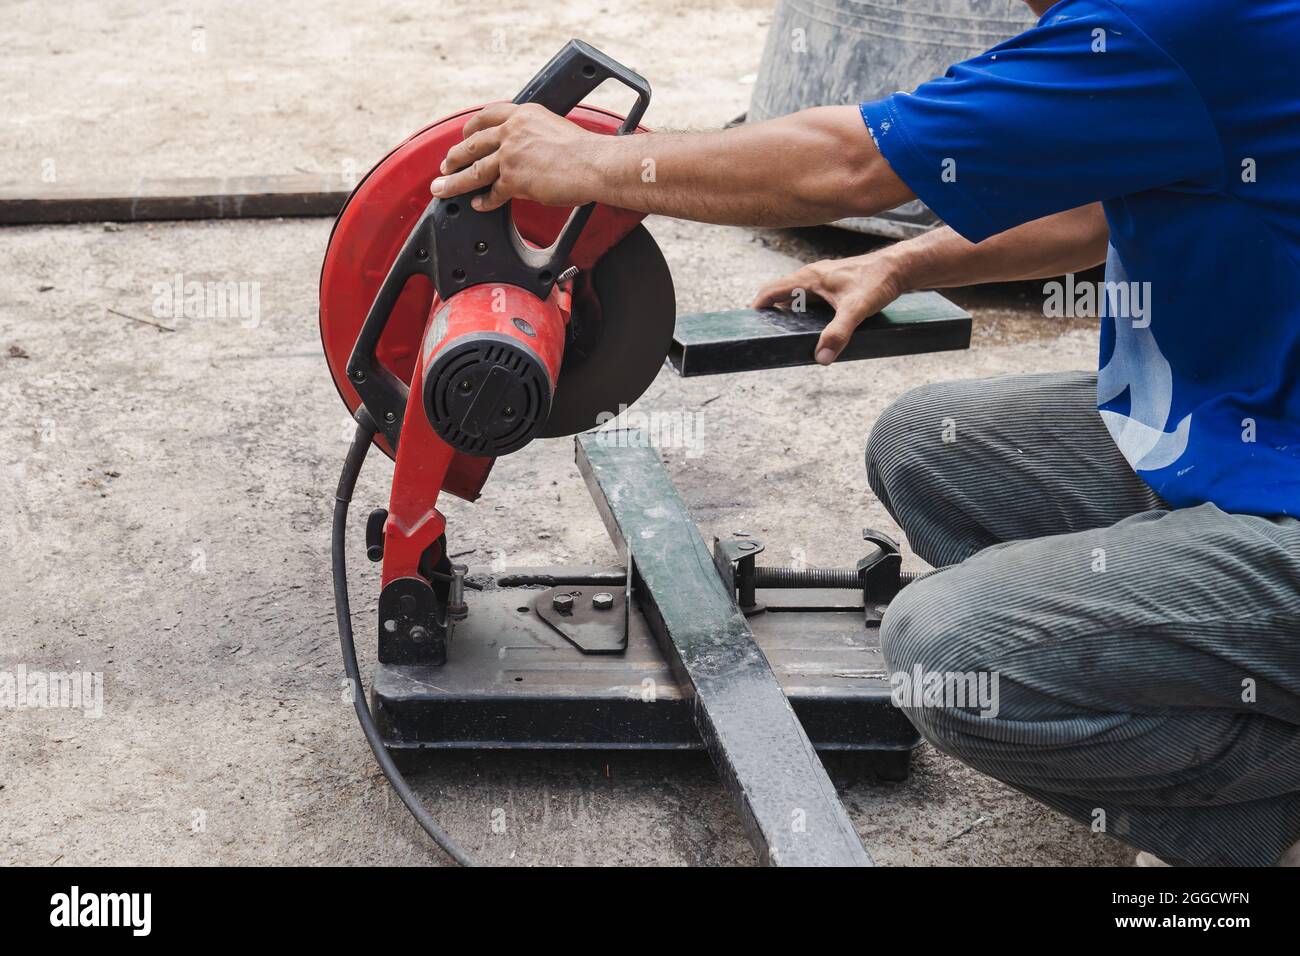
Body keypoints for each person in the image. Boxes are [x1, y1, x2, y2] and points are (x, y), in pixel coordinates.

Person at [430, 0, 1300, 866]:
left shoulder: (1173, 19)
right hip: (1253, 439)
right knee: (931, 450)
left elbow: (851, 165)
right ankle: (1206, 663)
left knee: (945, 653)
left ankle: (1259, 825)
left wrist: (593, 161)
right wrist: (907, 259)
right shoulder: (1160, 39)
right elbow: (1106, 201)